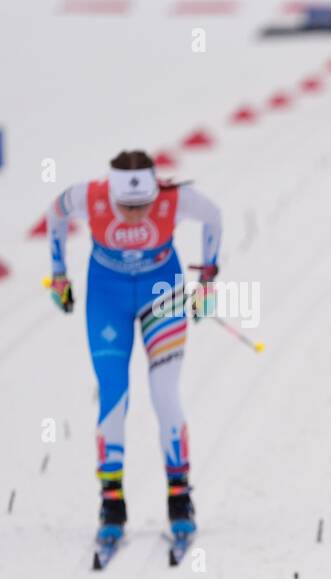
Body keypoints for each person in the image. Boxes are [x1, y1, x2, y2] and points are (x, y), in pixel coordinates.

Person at [46, 149, 222, 551]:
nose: (134, 215)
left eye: (142, 205)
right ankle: (112, 504)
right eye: (125, 205)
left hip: (163, 293)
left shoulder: (173, 198)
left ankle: (179, 498)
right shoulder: (87, 196)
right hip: (107, 300)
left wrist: (208, 280)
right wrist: (58, 275)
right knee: (113, 395)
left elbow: (214, 217)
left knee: (164, 392)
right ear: (111, 192)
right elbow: (54, 215)